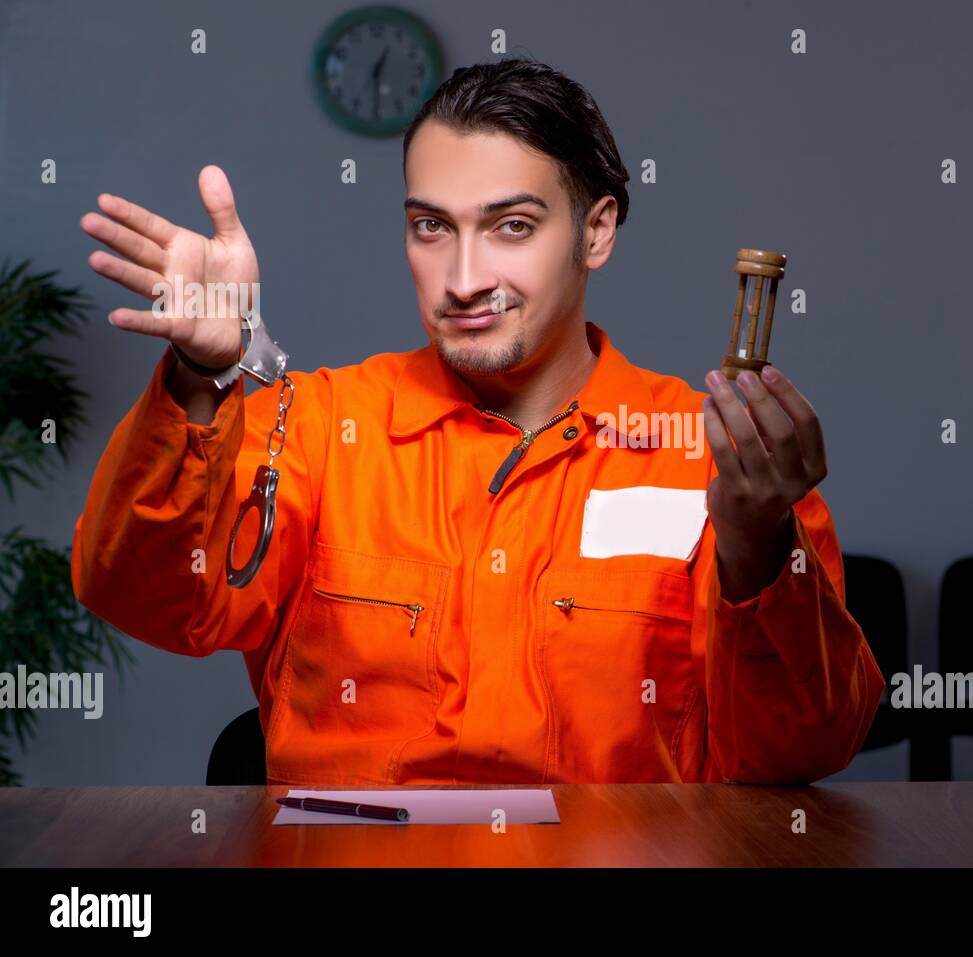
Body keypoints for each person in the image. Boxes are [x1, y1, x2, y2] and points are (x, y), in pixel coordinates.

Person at [72, 57, 885, 785]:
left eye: (513, 227)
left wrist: (758, 545)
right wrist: (200, 377)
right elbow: (145, 596)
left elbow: (803, 748)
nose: (463, 278)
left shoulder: (709, 455)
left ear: (596, 231)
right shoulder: (319, 425)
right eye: (432, 227)